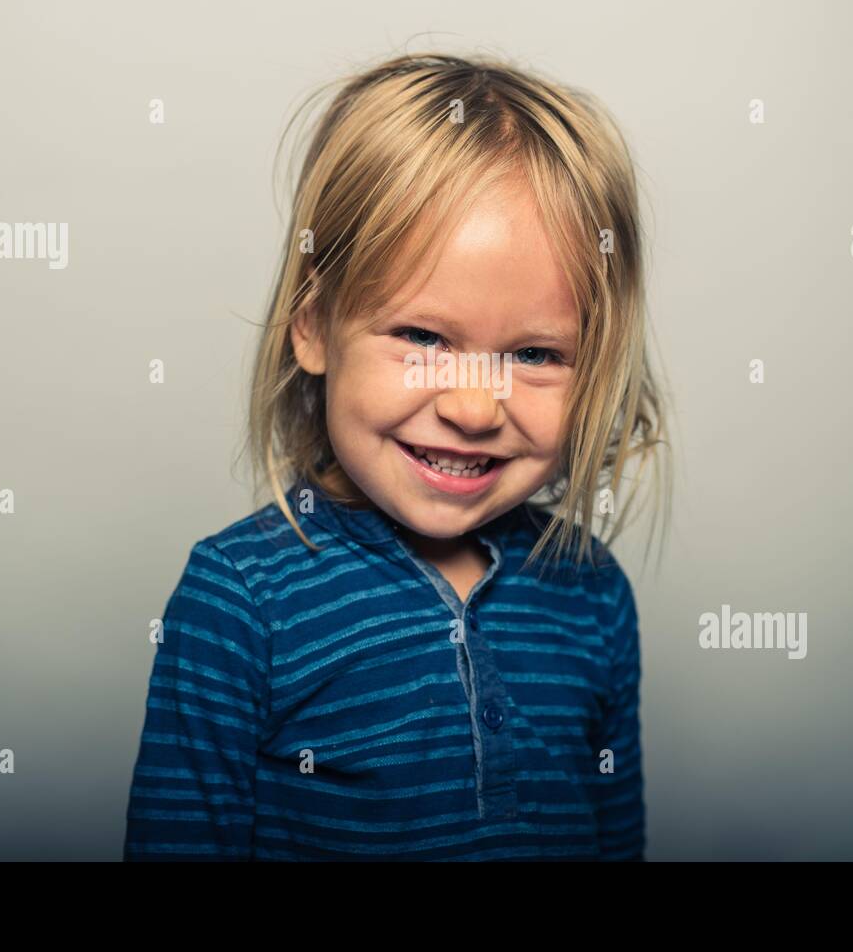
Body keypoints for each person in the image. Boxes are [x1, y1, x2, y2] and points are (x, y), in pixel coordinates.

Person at [123, 52, 670, 861]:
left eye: (535, 354)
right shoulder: (242, 601)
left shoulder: (591, 596)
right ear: (312, 326)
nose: (474, 406)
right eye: (421, 337)